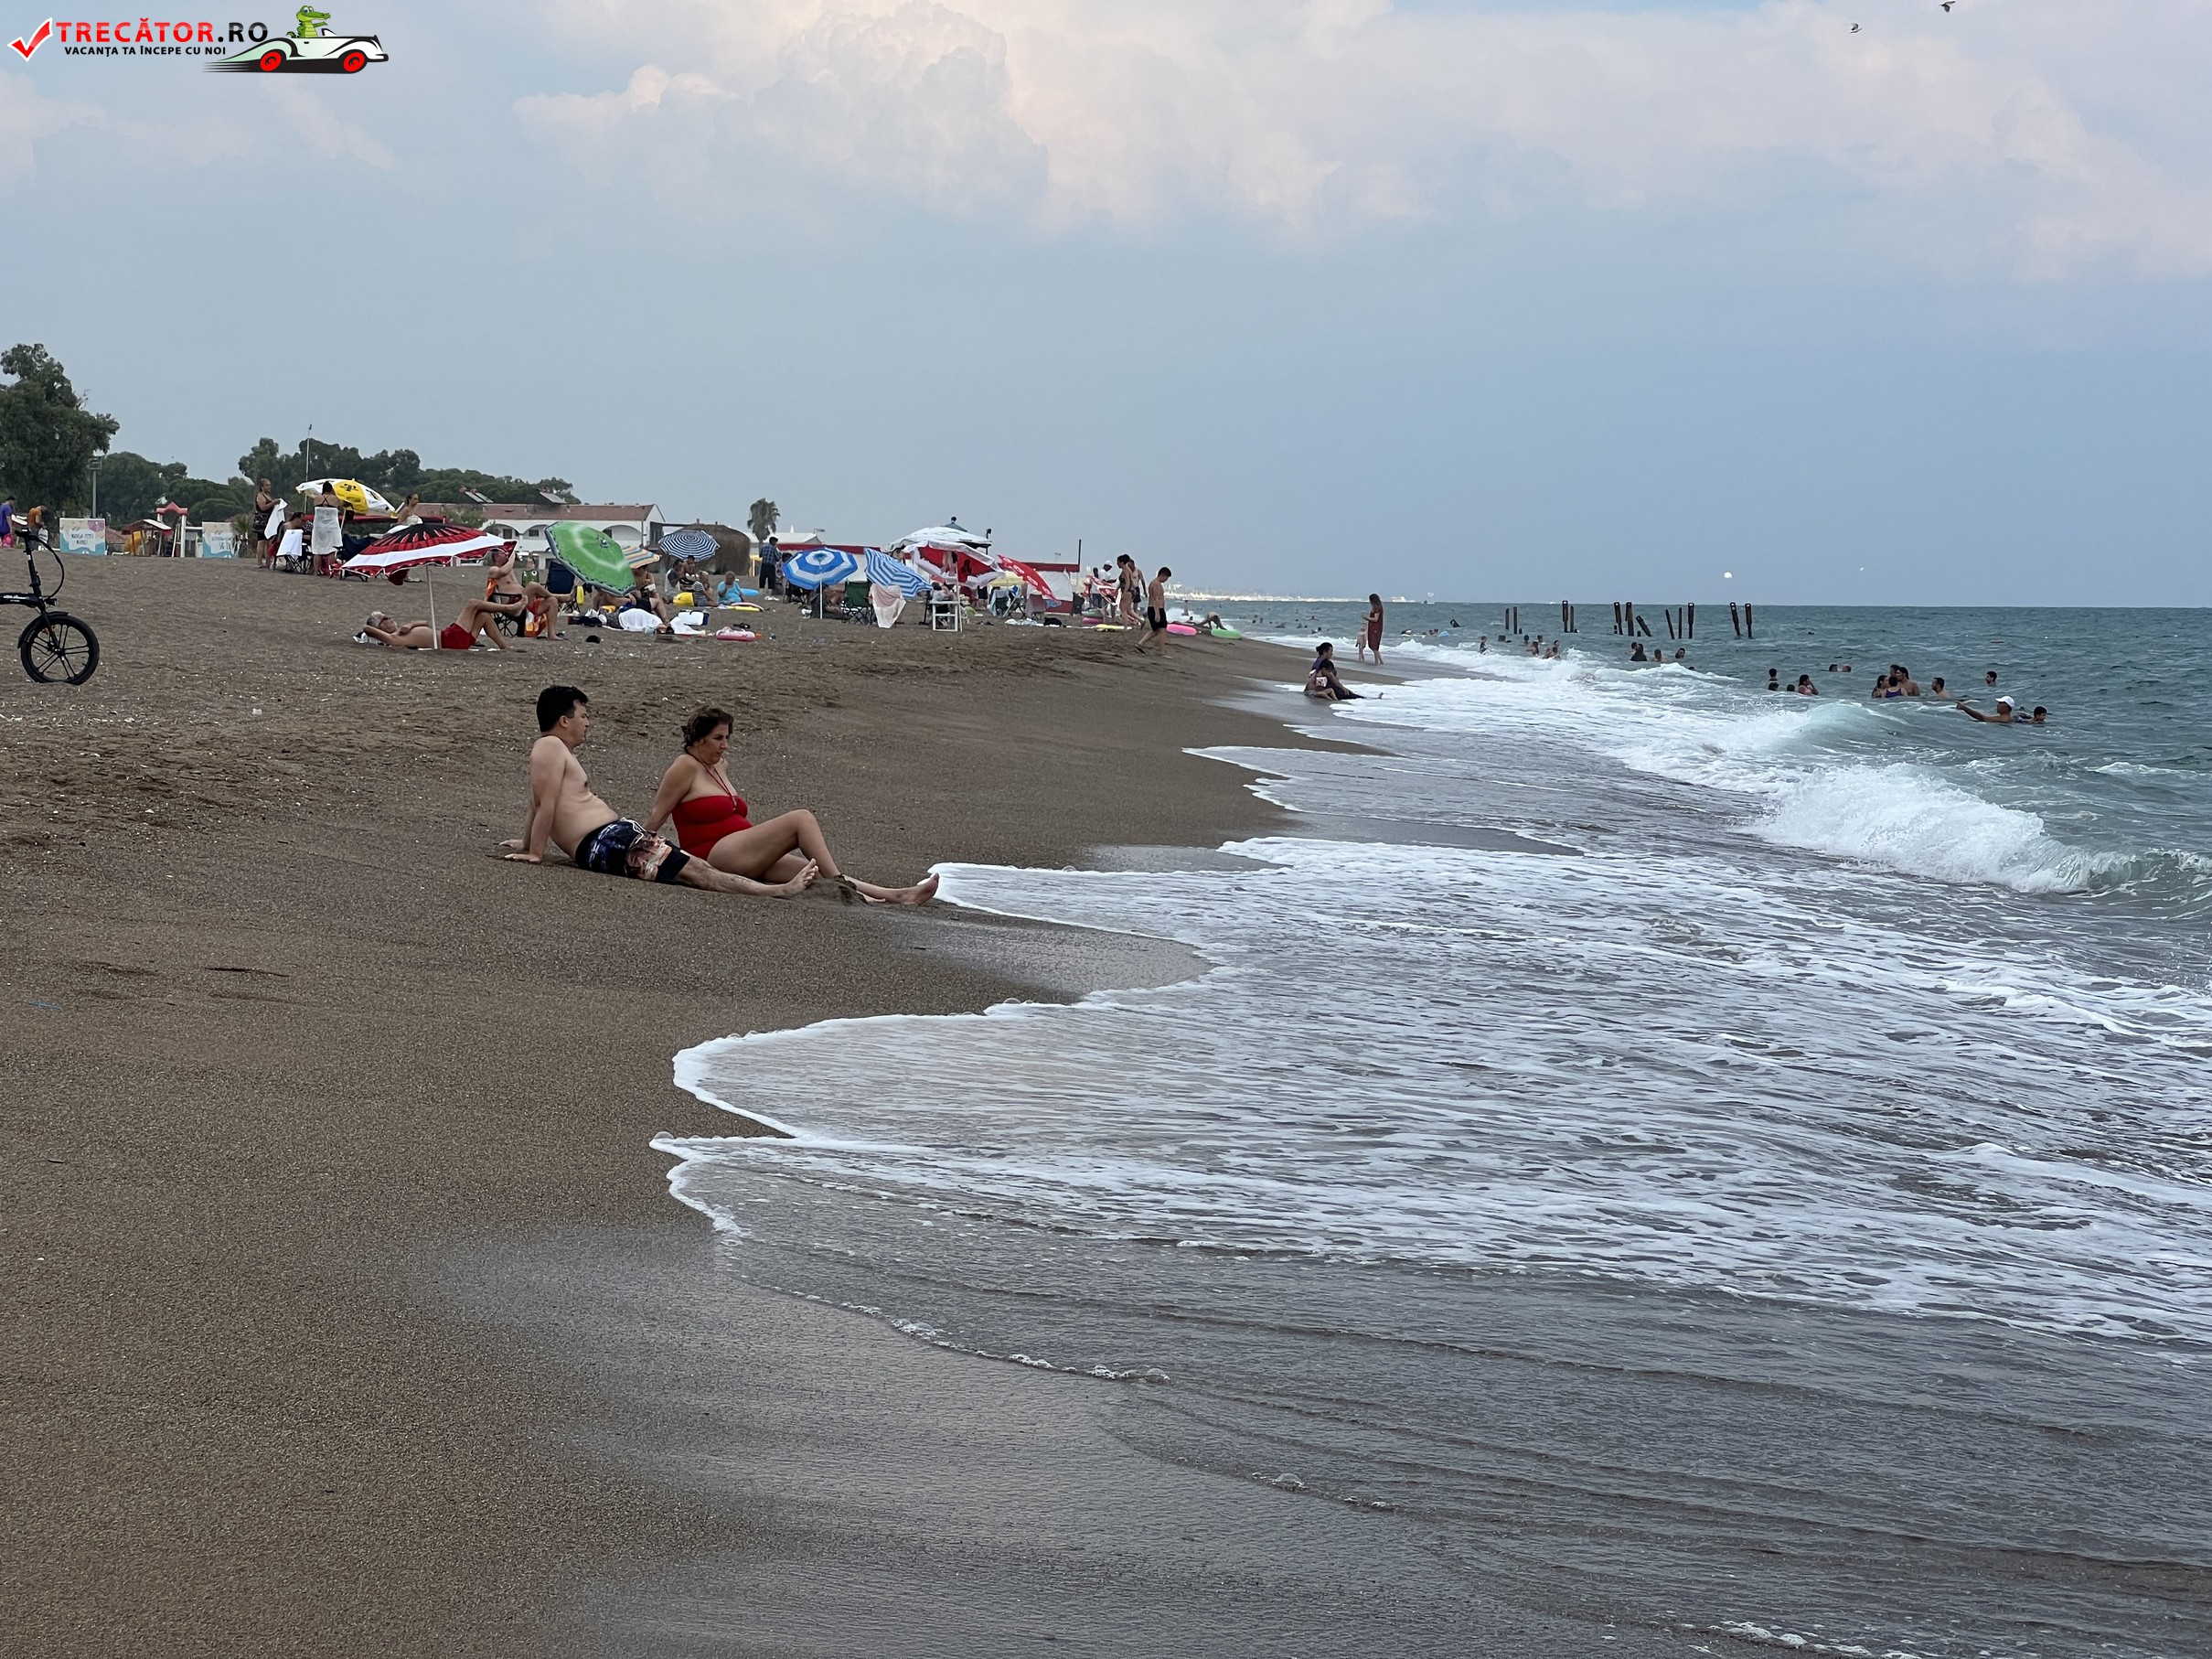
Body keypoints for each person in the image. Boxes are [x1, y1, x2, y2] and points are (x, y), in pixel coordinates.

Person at [501, 688, 815, 894]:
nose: (588, 723)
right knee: (694, 872)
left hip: (616, 835)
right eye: (583, 716)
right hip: (604, 841)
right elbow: (544, 804)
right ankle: (776, 891)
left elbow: (535, 803)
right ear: (563, 720)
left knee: (694, 866)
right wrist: (535, 853)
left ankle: (772, 887)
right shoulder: (550, 746)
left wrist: (528, 842)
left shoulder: (555, 751)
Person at [641, 707, 940, 904]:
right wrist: (636, 851)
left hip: (743, 852)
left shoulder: (720, 766)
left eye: (727, 738)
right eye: (718, 738)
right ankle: (845, 888)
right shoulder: (685, 766)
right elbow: (658, 814)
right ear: (698, 739)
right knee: (801, 819)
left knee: (814, 871)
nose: (725, 745)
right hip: (714, 854)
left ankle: (896, 896)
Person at [359, 599, 518, 651]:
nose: (391, 618)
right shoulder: (392, 639)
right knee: (473, 604)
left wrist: (411, 624)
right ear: (380, 628)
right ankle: (510, 609)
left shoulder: (402, 631)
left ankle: (504, 647)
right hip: (450, 640)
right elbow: (366, 629)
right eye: (386, 618)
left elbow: (425, 623)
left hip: (452, 638)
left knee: (484, 615)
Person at [1134, 566, 1173, 654]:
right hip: (1156, 609)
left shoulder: (1155, 583)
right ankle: (1161, 651)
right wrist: (1157, 614)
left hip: (1155, 609)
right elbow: (1156, 599)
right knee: (1161, 631)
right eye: (1166, 578)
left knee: (1156, 631)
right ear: (1163, 575)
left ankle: (1140, 644)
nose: (1166, 580)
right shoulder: (1156, 584)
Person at [252, 479, 278, 568]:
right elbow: (263, 507)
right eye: (267, 485)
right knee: (261, 542)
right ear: (262, 487)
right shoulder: (260, 496)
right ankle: (259, 562)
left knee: (269, 542)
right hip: (261, 521)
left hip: (269, 521)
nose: (269, 487)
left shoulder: (268, 496)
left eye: (269, 485)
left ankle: (268, 562)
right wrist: (273, 503)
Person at [1359, 594, 1384, 665]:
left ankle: (1377, 662)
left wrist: (1367, 617)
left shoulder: (1377, 609)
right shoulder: (1377, 608)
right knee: (1373, 645)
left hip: (1375, 628)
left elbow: (1376, 619)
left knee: (1374, 645)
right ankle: (1380, 661)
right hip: (1374, 627)